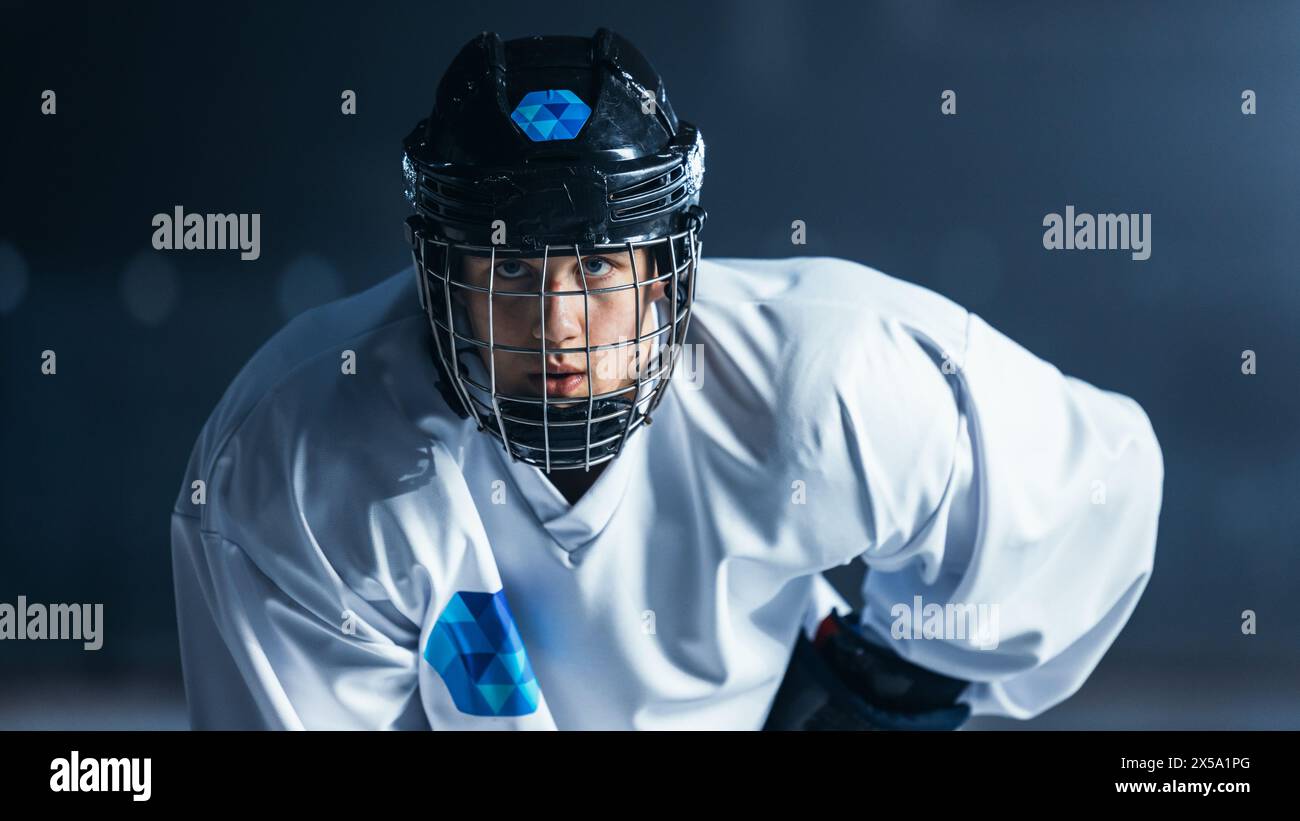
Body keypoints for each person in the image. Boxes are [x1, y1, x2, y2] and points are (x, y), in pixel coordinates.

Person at [169, 28, 1164, 730]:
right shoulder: (298, 456)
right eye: (512, 267)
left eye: (596, 263)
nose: (556, 324)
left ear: (663, 269)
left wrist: (883, 689)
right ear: (445, 268)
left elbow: (1091, 490)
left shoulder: (824, 378)